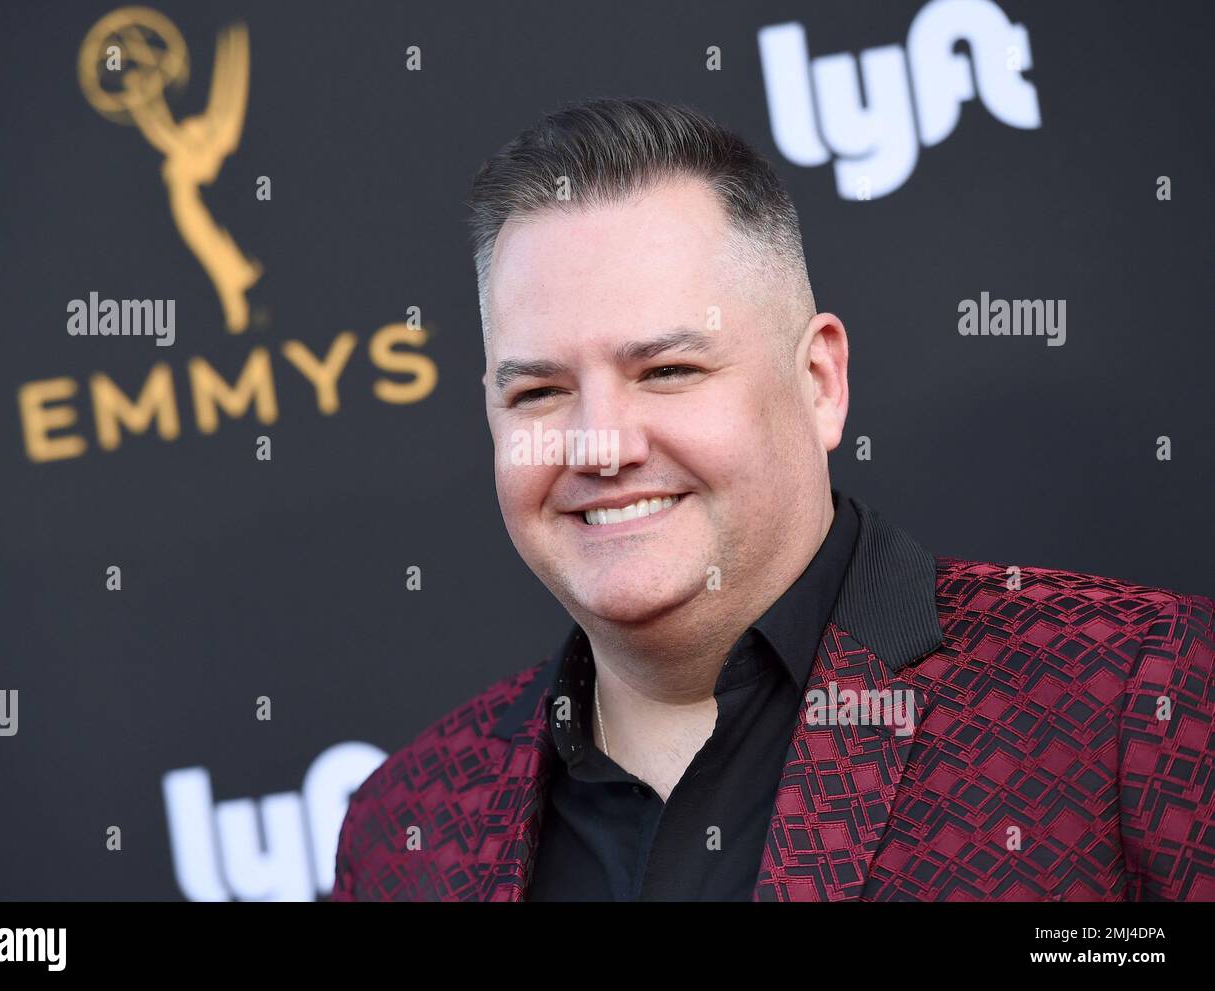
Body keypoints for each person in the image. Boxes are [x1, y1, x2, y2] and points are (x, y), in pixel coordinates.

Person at [330, 97, 1214, 901]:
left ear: (820, 380)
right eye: (539, 393)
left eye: (667, 371)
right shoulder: (404, 832)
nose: (600, 443)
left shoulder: (1140, 698)